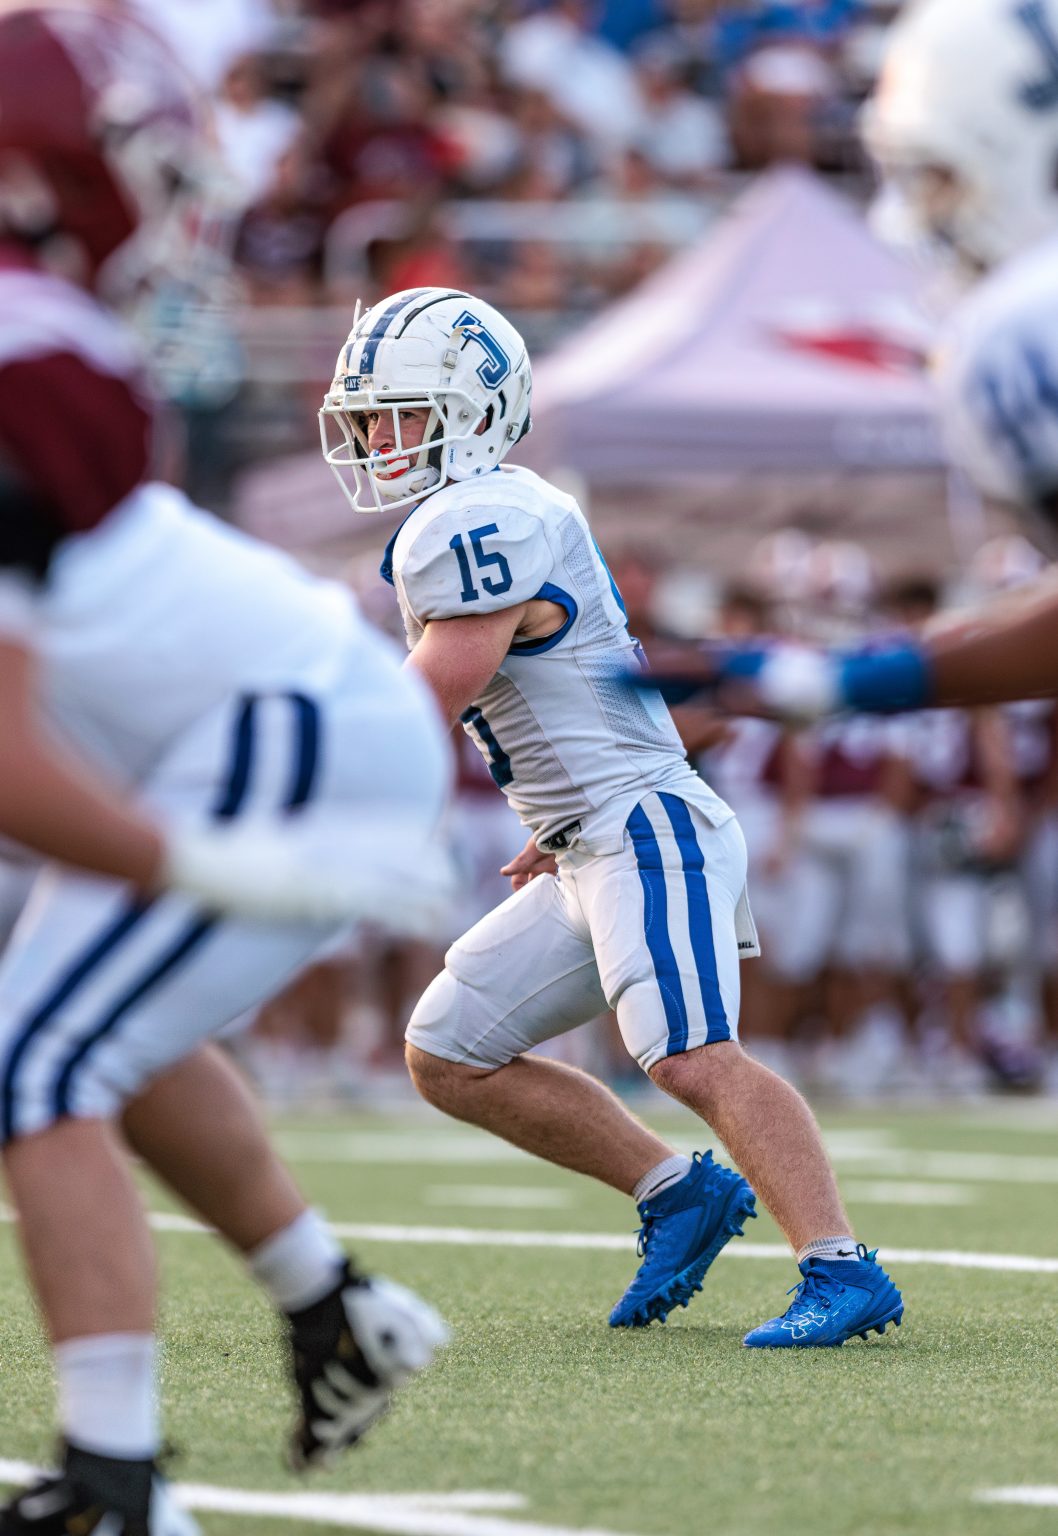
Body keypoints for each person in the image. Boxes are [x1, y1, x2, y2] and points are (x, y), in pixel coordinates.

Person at [0, 10, 452, 1532]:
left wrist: (196, 867)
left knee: (38, 1062)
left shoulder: (24, 358)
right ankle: (333, 1309)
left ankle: (119, 1489)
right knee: (81, 1034)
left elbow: (5, 762)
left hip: (281, 735)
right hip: (244, 723)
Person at [318, 284, 904, 1350]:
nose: (375, 437)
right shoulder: (477, 518)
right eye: (368, 417)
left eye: (400, 411)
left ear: (474, 410)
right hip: (589, 839)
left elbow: (430, 699)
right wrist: (551, 818)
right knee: (449, 1049)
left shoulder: (483, 518)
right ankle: (674, 1190)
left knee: (685, 1053)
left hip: (640, 824)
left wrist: (303, 768)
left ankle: (840, 1265)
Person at [634, 0, 1058, 722]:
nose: (911, 218)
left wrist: (854, 680)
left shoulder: (1024, 333)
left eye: (938, 177)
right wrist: (850, 679)